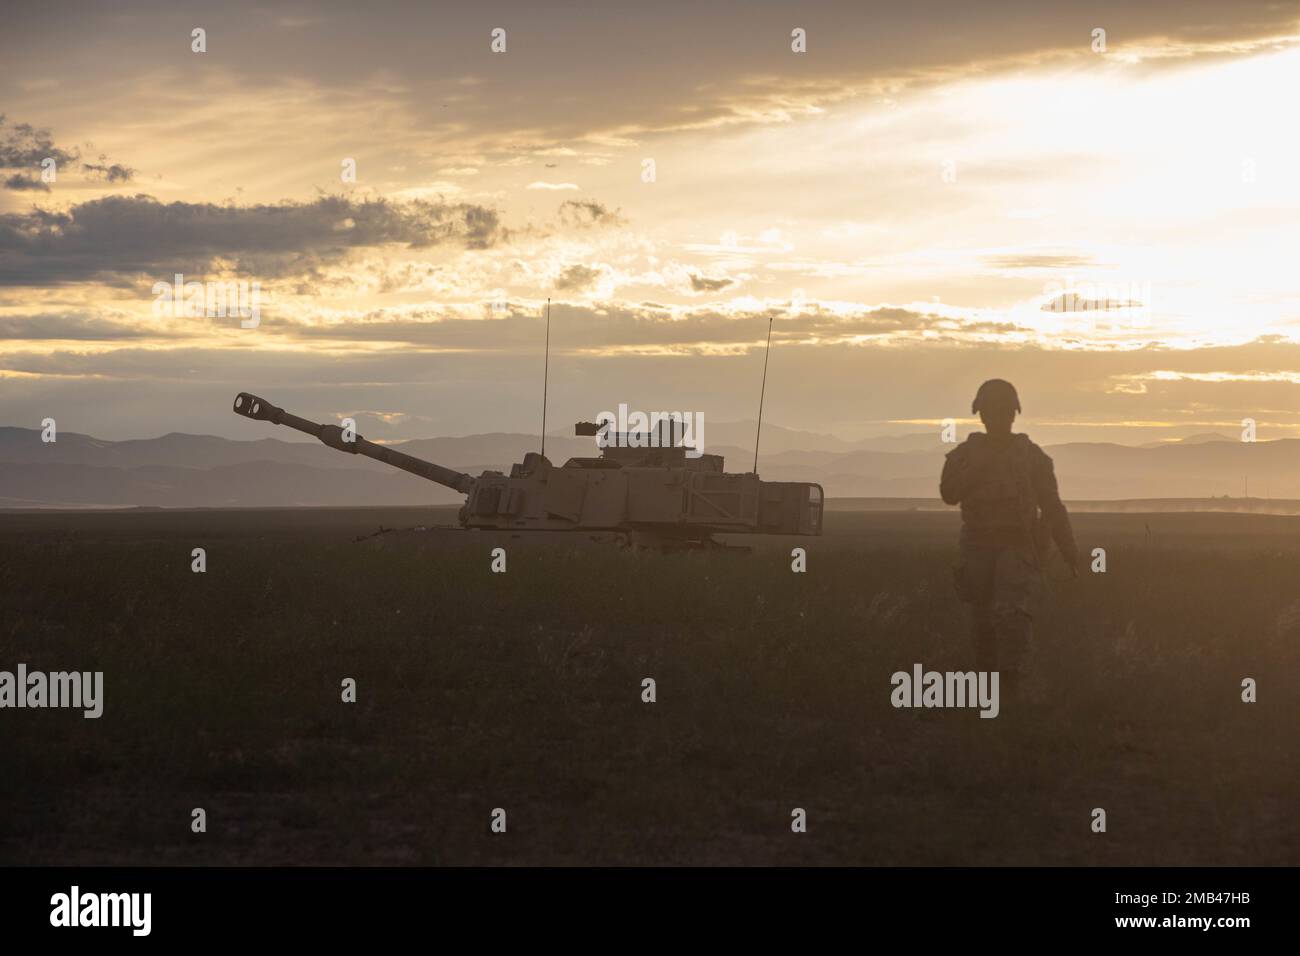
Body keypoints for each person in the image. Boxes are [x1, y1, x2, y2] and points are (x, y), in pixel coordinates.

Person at [939, 379, 1078, 697]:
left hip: (1017, 543)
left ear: (1014, 414)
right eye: (993, 411)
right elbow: (949, 493)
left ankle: (1010, 682)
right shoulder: (966, 456)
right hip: (978, 543)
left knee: (1011, 611)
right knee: (982, 615)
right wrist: (977, 470)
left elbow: (1052, 506)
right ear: (982, 415)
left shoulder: (1031, 457)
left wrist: (1068, 550)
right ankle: (988, 683)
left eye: (1003, 411)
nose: (999, 418)